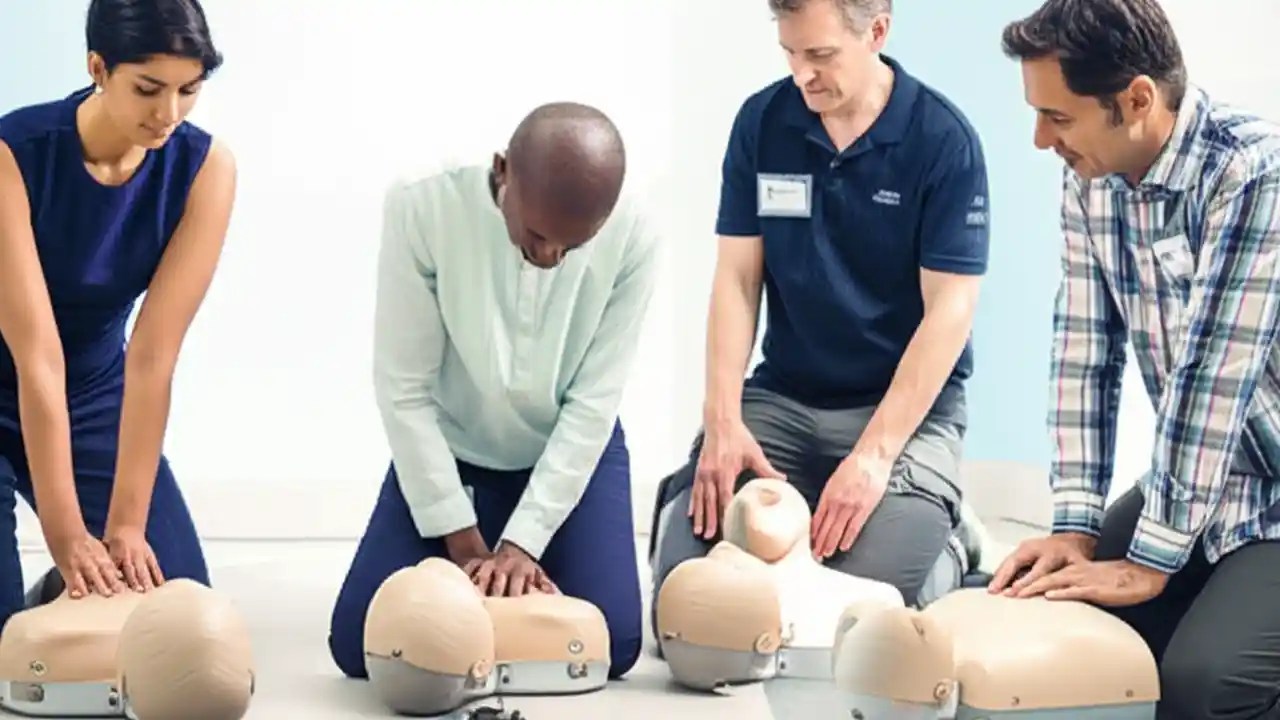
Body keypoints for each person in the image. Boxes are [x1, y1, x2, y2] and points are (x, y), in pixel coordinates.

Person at [650, 0, 991, 618]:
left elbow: (951, 310)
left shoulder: (943, 140)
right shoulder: (762, 121)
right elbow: (736, 278)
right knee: (689, 592)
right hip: (785, 396)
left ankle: (949, 540)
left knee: (860, 606)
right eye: (789, 53)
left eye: (821, 56)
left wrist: (875, 456)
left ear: (878, 32)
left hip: (900, 415)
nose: (802, 74)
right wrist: (723, 422)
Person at [989, 1, 1280, 717]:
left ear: (1137, 100)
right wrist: (1075, 525)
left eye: (1057, 117)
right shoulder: (1089, 178)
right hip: (1197, 487)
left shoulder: (1251, 173)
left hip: (1271, 491)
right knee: (1038, 620)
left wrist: (1151, 560)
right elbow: (1083, 351)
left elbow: (1213, 374)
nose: (1038, 139)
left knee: (1201, 685)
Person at [326, 102, 659, 681]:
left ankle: (516, 565)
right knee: (361, 644)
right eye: (536, 234)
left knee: (615, 643)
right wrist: (465, 545)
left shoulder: (636, 235)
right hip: (456, 450)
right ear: (503, 172)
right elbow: (403, 389)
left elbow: (594, 403)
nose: (550, 256)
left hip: (568, 448)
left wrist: (523, 546)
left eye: (573, 245)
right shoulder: (422, 207)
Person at [0, 0, 234, 634]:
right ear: (98, 68)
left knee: (175, 614)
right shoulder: (13, 154)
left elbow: (153, 354)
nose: (169, 114)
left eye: (189, 89)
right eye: (149, 89)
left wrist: (125, 524)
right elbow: (36, 357)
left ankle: (60, 594)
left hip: (95, 389)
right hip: (19, 374)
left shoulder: (206, 169)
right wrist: (67, 534)